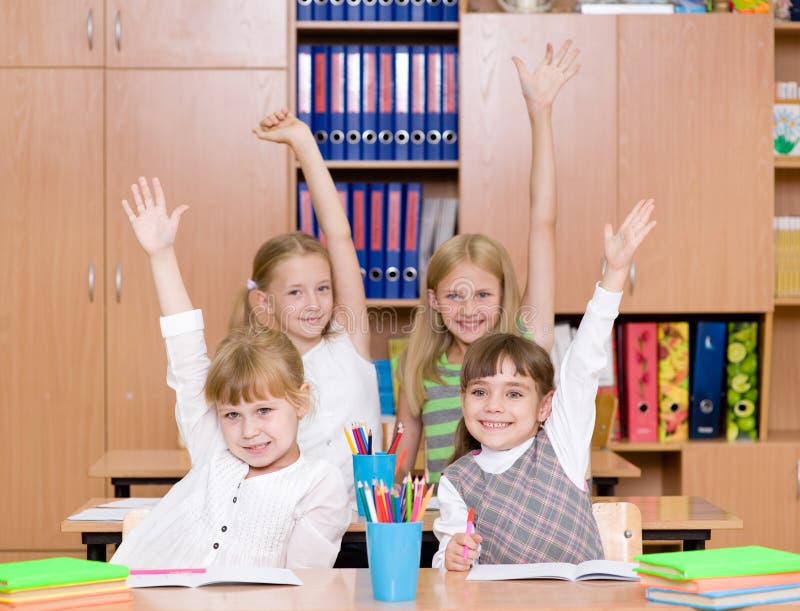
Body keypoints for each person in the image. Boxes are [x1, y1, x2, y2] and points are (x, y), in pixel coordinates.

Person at [111, 177, 350, 569]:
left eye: (264, 411)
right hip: (140, 593)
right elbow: (187, 359)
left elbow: (304, 587)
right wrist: (161, 255)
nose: (249, 431)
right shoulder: (214, 448)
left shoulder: (318, 484)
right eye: (232, 415)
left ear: (301, 401)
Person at [432, 198, 656, 571]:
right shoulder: (456, 480)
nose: (495, 405)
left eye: (514, 393)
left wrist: (614, 274)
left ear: (544, 406)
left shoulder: (561, 444)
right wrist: (451, 555)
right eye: (480, 392)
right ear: (463, 398)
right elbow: (446, 561)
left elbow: (585, 358)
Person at [393, 41, 581, 483]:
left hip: (514, 528)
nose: (469, 307)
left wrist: (540, 114)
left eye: (482, 294)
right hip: (447, 529)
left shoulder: (525, 343)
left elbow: (543, 223)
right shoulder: (420, 366)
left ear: (503, 298)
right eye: (455, 295)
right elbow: (402, 455)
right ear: (434, 301)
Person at [244, 110, 382, 495]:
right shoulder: (259, 370)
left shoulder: (347, 342)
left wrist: (304, 144)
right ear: (263, 303)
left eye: (323, 288)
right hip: (291, 522)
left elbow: (339, 235)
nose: (313, 303)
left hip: (360, 523)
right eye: (295, 292)